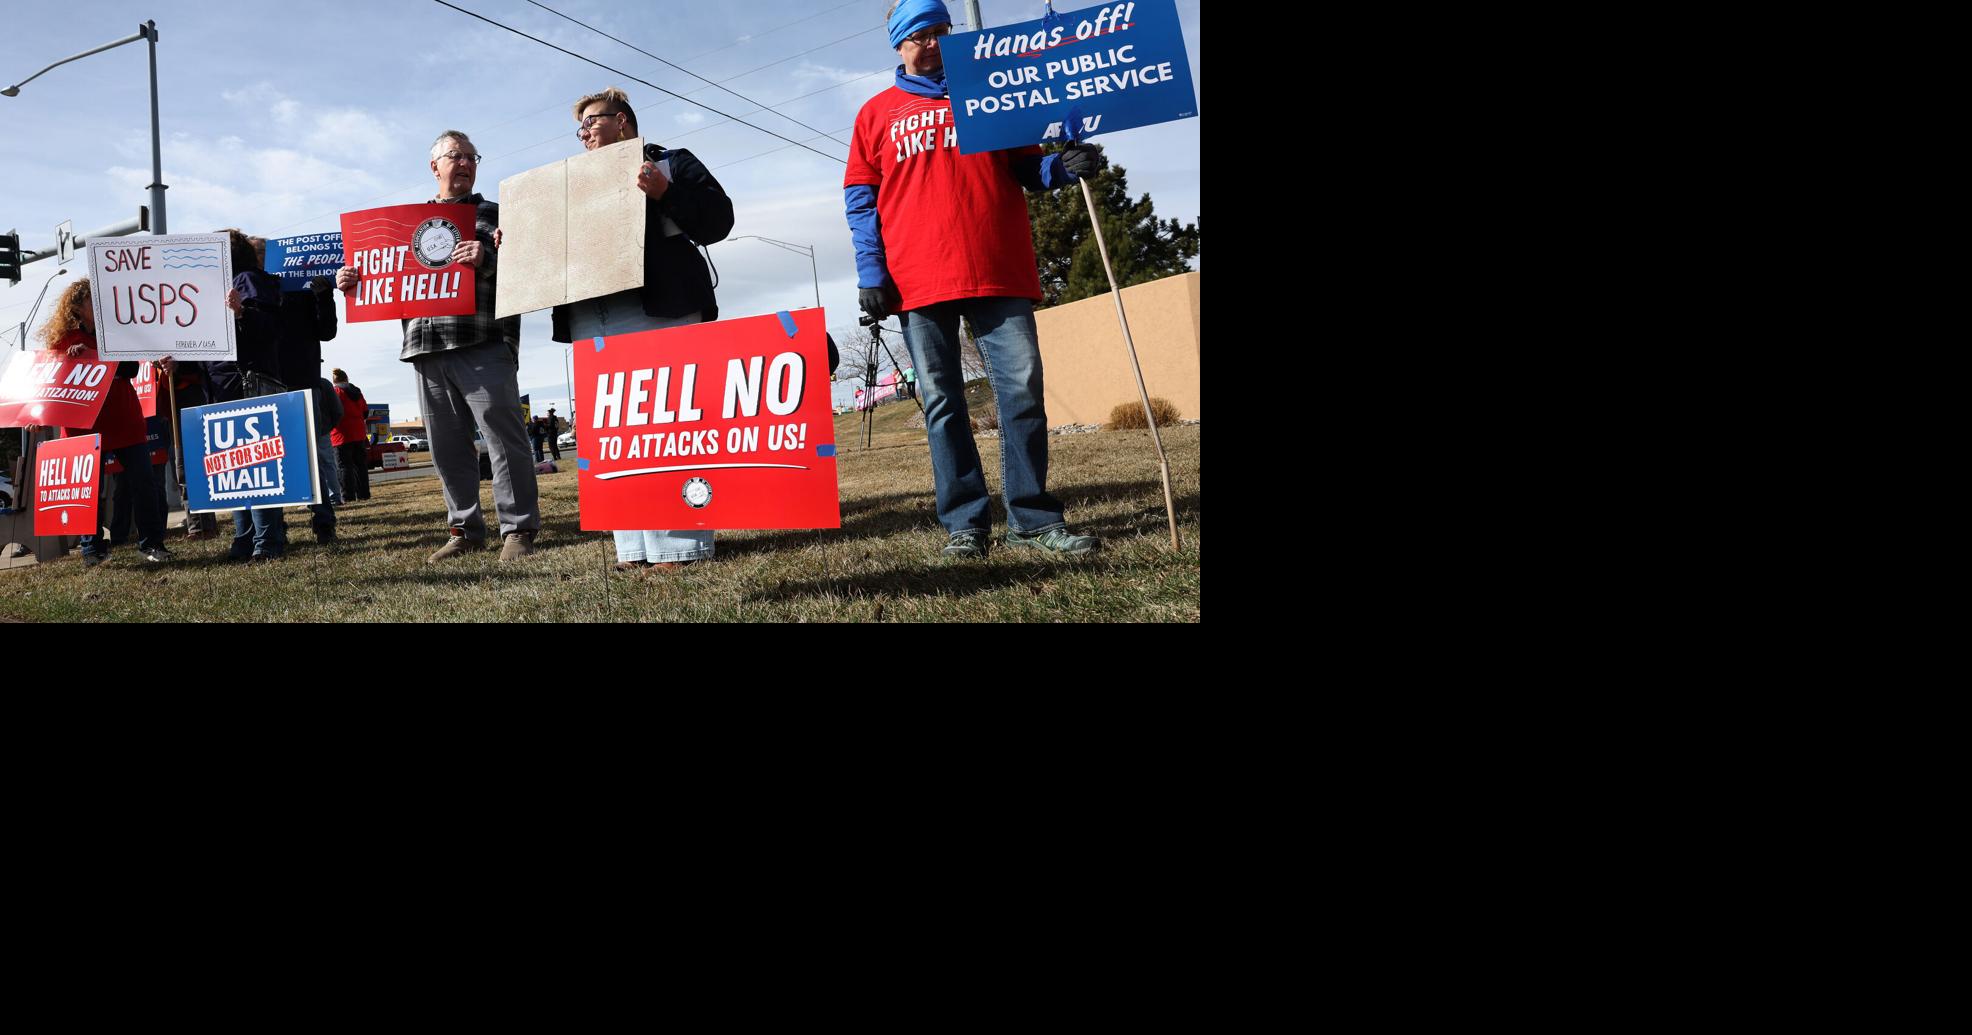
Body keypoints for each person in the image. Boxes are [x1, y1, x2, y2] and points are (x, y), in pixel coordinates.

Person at [844, 1, 1107, 559]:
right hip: (917, 281)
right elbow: (860, 200)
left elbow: (1027, 168)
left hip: (998, 268)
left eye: (943, 30)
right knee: (942, 403)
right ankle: (966, 523)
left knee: (1022, 391)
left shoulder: (992, 94)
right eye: (922, 34)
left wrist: (1065, 166)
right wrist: (872, 272)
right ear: (899, 44)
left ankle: (1032, 518)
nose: (936, 42)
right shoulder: (875, 114)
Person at [545, 87, 733, 573]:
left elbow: (718, 219)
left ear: (623, 121)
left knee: (667, 426)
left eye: (592, 121)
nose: (585, 132)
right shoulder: (567, 186)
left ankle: (678, 547)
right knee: (614, 433)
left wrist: (666, 194)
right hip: (593, 316)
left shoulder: (671, 163)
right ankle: (633, 547)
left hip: (660, 311)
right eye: (580, 126)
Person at [335, 129, 540, 563]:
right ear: (435, 167)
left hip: (482, 339)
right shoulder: (403, 225)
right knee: (446, 447)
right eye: (454, 156)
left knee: (504, 440)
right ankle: (465, 529)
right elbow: (382, 275)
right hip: (425, 346)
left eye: (471, 156)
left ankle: (518, 530)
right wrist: (353, 282)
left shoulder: (496, 214)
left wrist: (487, 259)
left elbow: (529, 267)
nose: (464, 163)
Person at [28, 279, 169, 566]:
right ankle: (92, 550)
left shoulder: (115, 333)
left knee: (144, 482)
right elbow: (52, 381)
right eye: (93, 300)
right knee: (87, 488)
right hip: (84, 423)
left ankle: (151, 544)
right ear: (77, 308)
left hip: (124, 418)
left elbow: (130, 369)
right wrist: (71, 363)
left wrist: (99, 355)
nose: (100, 304)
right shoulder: (63, 341)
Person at [208, 228, 292, 563]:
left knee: (257, 465)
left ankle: (267, 540)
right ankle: (244, 538)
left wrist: (242, 312)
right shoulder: (207, 289)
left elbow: (271, 329)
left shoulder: (248, 280)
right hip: (222, 384)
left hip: (248, 383)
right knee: (235, 469)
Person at [329, 369, 372, 503]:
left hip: (340, 435)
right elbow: (365, 412)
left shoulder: (335, 393)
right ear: (347, 378)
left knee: (343, 466)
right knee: (360, 465)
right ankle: (364, 494)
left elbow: (332, 411)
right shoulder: (357, 392)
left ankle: (348, 495)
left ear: (334, 381)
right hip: (359, 433)